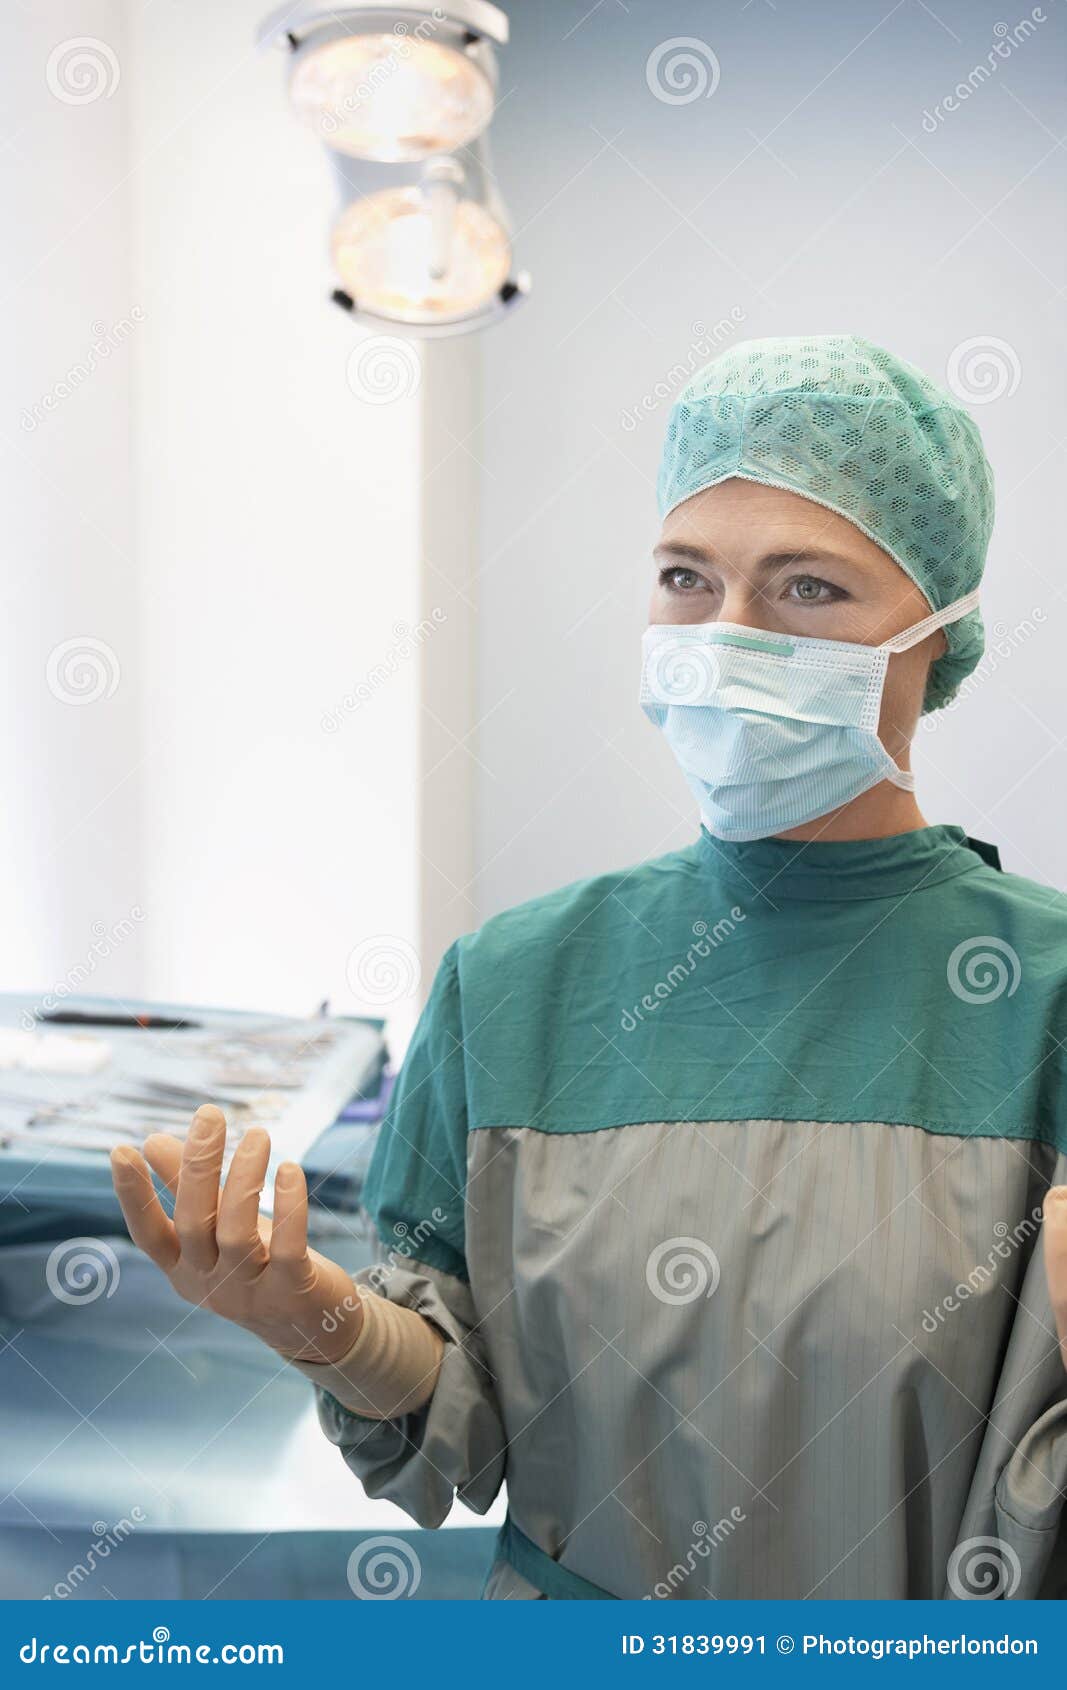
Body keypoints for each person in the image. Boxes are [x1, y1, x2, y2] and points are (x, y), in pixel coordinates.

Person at [112, 336, 1067, 1601]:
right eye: (687, 578)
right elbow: (467, 1418)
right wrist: (310, 1314)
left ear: (939, 639)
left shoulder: (1034, 1001)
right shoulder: (514, 982)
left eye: (806, 590)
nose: (727, 636)